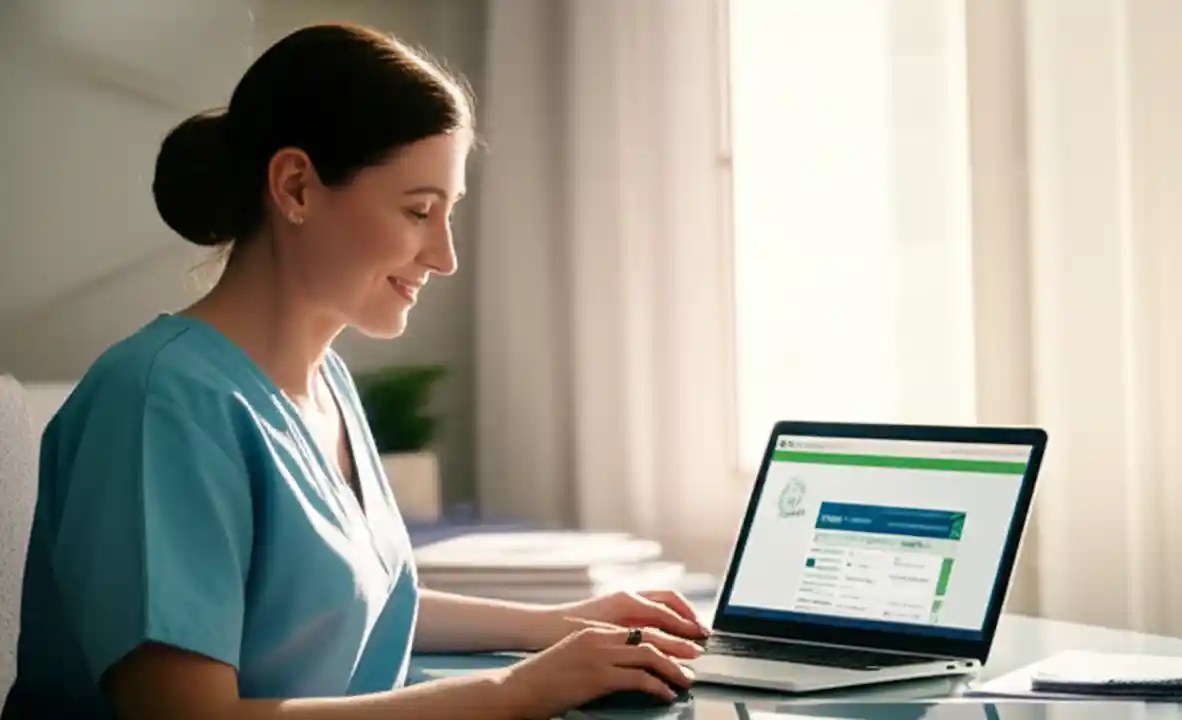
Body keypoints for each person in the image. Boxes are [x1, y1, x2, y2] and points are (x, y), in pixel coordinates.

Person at [3, 23, 707, 720]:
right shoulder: (159, 403)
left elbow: (339, 603)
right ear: (297, 187)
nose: (444, 256)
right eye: (418, 211)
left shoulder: (327, 385)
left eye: (448, 213)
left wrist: (555, 625)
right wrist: (512, 692)